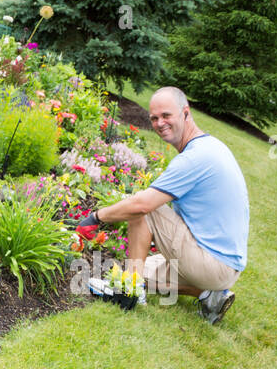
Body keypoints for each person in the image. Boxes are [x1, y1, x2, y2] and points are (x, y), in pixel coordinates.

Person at [77, 87, 249, 325]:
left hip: (212, 262)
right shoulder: (211, 146)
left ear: (185, 113)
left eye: (166, 115)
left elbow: (142, 205)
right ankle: (209, 294)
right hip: (225, 266)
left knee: (145, 206)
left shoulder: (194, 158)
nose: (159, 123)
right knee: (135, 269)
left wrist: (95, 218)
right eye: (154, 118)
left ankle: (130, 291)